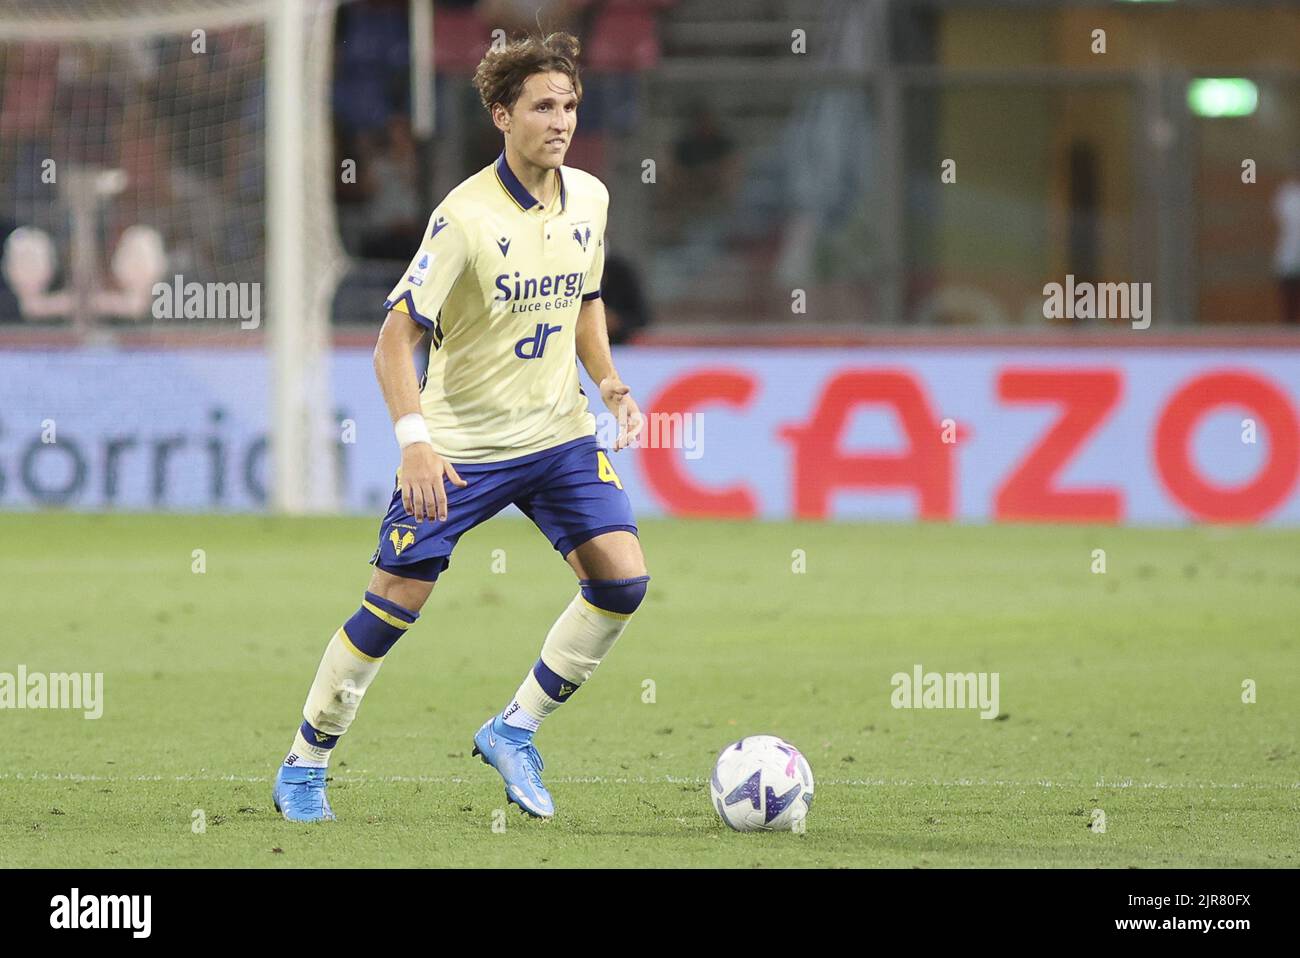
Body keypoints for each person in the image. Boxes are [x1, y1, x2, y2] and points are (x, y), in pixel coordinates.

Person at [272, 31, 650, 821]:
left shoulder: (591, 197)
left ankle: (515, 727)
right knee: (392, 606)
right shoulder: (464, 218)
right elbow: (392, 340)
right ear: (502, 115)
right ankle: (306, 761)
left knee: (621, 580)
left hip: (558, 435)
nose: (562, 120)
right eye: (544, 106)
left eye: (571, 105)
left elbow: (584, 299)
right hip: (462, 449)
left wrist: (608, 381)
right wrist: (415, 442)